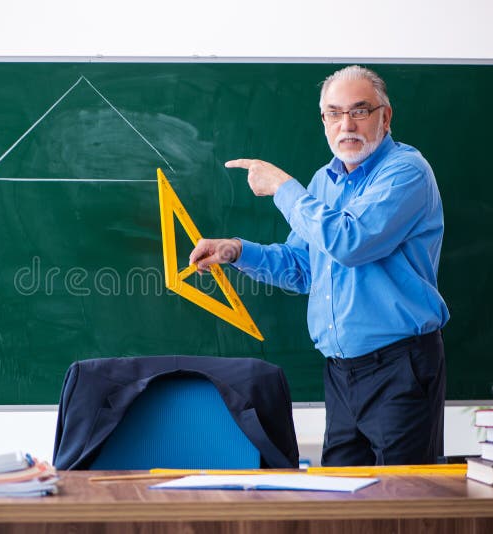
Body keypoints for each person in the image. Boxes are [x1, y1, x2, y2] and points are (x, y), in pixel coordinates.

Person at [188, 65, 450, 466]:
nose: (347, 124)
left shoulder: (406, 172)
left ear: (386, 116)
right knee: (340, 503)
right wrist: (238, 251)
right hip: (342, 374)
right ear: (324, 121)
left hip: (400, 369)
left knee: (403, 503)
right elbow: (302, 267)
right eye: (334, 113)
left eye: (360, 111)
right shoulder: (324, 182)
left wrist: (282, 186)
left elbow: (351, 241)